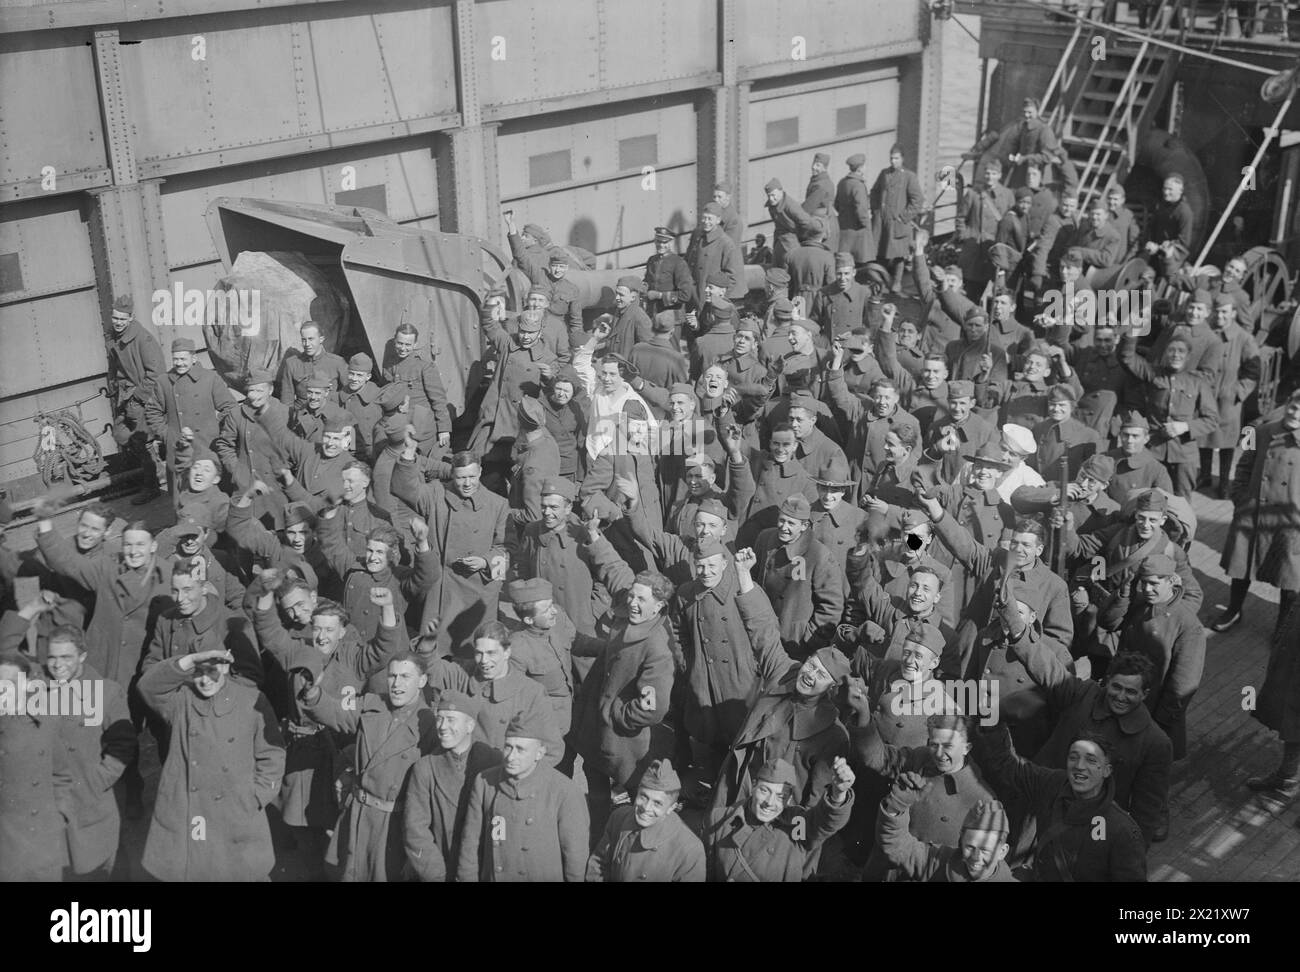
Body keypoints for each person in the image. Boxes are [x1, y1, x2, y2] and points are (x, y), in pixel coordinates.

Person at [137, 648, 285, 881]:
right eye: (198, 672)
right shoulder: (181, 699)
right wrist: (190, 659)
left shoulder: (252, 700)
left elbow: (272, 752)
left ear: (226, 667)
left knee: (239, 872)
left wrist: (258, 795)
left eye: (211, 671)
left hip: (235, 808)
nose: (204, 680)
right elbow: (147, 686)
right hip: (189, 807)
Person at [300, 652, 438, 881]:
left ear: (422, 681)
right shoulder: (371, 703)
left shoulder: (429, 724)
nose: (397, 684)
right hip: (357, 815)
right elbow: (335, 711)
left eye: (405, 676)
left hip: (392, 827)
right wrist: (314, 694)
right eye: (392, 676)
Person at [978, 724, 1148, 881]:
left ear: (1106, 770)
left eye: (1091, 760)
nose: (1079, 766)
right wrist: (990, 715)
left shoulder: (1122, 830)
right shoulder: (1053, 783)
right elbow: (1010, 768)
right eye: (1073, 757)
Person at [456, 710, 590, 882]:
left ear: (539, 753)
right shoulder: (484, 782)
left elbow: (575, 858)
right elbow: (470, 846)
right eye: (508, 747)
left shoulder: (565, 791)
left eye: (521, 750)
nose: (511, 757)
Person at [1098, 554, 1206, 760]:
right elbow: (1108, 622)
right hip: (1122, 699)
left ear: (1172, 581)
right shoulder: (1139, 604)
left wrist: (1158, 723)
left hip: (1152, 713)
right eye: (1143, 583)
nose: (1147, 589)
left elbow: (1183, 684)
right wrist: (1125, 592)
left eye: (1154, 584)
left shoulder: (1187, 625)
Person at [1218, 390, 1300, 635]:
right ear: (1287, 404)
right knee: (1242, 566)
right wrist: (1241, 500)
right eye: (1294, 407)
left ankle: (1283, 627)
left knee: (1289, 577)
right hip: (1254, 512)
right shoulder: (1262, 431)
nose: (1296, 414)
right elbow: (1244, 466)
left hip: (1290, 521)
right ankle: (1233, 609)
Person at [704, 756, 855, 882]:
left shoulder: (796, 825)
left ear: (788, 800)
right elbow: (707, 872)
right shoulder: (720, 819)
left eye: (780, 796)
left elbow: (822, 823)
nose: (769, 802)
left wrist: (838, 794)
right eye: (764, 791)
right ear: (753, 787)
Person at [403, 690, 501, 882]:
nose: (442, 726)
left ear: (470, 725)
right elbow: (415, 831)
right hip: (442, 866)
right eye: (439, 719)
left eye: (450, 720)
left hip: (486, 868)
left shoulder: (493, 762)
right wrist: (436, 874)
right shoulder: (425, 768)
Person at [0, 650, 65, 881]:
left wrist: (60, 818)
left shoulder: (46, 721)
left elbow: (62, 775)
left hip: (42, 841)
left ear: (27, 685)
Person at [586, 759, 705, 882]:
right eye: (643, 797)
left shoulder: (690, 850)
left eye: (657, 803)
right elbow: (598, 865)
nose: (646, 808)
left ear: (671, 808)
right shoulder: (619, 817)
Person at [105, 294, 168, 505]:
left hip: (142, 397)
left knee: (141, 441)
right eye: (115, 318)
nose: (118, 322)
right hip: (126, 396)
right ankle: (158, 472)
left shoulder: (143, 339)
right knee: (124, 435)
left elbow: (156, 373)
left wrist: (138, 400)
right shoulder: (114, 337)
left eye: (122, 319)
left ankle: (152, 487)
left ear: (131, 318)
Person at [877, 795, 1017, 883]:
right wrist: (896, 806)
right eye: (970, 847)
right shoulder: (940, 861)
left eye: (985, 850)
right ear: (961, 841)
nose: (976, 857)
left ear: (1002, 852)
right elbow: (897, 846)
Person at [380, 322, 453, 451]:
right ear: (395, 342)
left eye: (408, 345)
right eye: (400, 343)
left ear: (415, 345)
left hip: (421, 428)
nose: (403, 348)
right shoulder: (389, 363)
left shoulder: (424, 366)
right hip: (398, 426)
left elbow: (438, 399)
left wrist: (444, 429)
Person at [870, 144, 923, 294]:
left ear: (902, 159)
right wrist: (875, 210)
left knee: (899, 254)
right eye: (891, 158)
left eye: (896, 158)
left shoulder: (909, 176)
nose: (893, 161)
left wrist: (904, 217)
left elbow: (918, 200)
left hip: (898, 222)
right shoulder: (884, 173)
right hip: (883, 221)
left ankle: (897, 282)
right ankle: (880, 281)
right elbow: (874, 192)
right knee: (881, 251)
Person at [277, 320, 349, 407]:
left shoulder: (337, 362)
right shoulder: (292, 364)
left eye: (311, 339)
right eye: (304, 340)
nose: (307, 344)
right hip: (302, 415)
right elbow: (286, 401)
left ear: (321, 339)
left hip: (328, 413)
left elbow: (348, 394)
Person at [764, 178, 819, 266]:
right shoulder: (772, 205)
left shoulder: (791, 206)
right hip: (779, 241)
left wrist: (819, 228)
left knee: (791, 268)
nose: (771, 199)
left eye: (773, 195)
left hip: (791, 243)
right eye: (768, 196)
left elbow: (806, 222)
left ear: (781, 191)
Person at [835, 153, 873, 267]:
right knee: (861, 265)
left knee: (845, 264)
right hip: (858, 232)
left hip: (844, 230)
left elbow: (836, 204)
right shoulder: (858, 185)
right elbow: (861, 211)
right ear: (860, 168)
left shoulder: (842, 182)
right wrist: (867, 225)